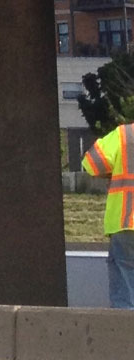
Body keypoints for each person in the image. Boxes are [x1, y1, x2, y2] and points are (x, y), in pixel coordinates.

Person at [81, 122, 134, 308]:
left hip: (127, 222)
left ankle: (126, 336)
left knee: (126, 296)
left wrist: (113, 170)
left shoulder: (125, 135)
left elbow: (91, 163)